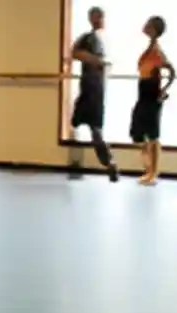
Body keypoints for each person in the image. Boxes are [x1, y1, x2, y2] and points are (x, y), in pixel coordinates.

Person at [68, 6, 119, 182]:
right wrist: (93, 59)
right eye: (96, 17)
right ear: (91, 19)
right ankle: (105, 161)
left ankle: (109, 162)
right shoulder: (88, 37)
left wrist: (96, 61)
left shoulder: (104, 39)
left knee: (95, 129)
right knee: (79, 123)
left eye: (101, 17)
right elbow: (74, 52)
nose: (99, 20)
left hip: (96, 89)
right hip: (88, 87)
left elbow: (101, 61)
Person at [130, 16, 175, 186]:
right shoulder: (149, 49)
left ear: (154, 30)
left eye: (148, 25)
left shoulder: (157, 51)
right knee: (141, 132)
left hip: (151, 91)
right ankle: (148, 170)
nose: (145, 26)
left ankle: (153, 173)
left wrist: (163, 90)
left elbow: (171, 70)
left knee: (153, 134)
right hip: (143, 90)